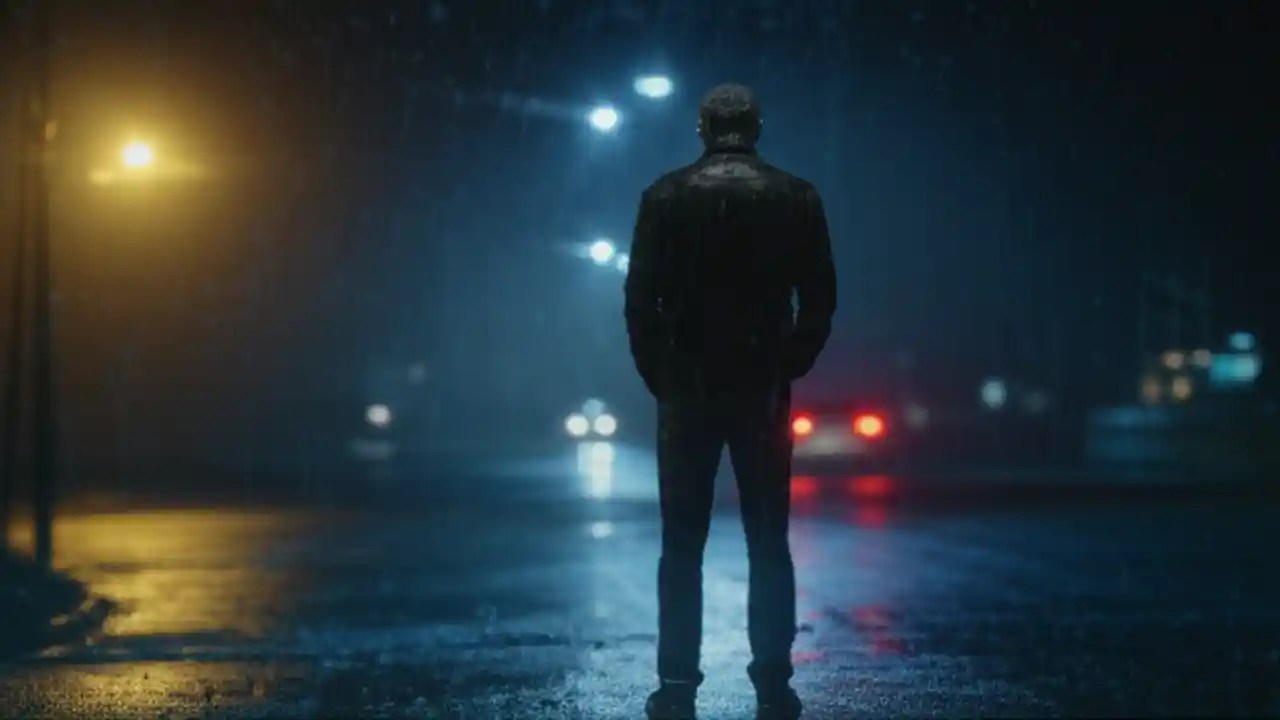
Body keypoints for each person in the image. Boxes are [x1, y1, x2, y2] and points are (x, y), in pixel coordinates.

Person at [625, 83, 837, 720]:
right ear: (756, 126)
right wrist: (788, 360)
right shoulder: (795, 195)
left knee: (681, 544)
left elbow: (641, 304)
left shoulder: (664, 196)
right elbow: (819, 298)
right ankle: (772, 681)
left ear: (702, 129)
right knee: (768, 541)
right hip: (760, 383)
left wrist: (662, 374)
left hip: (688, 386)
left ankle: (678, 683)